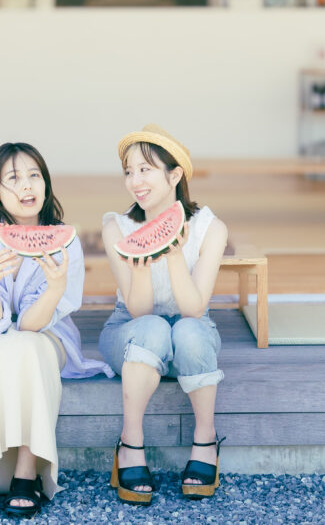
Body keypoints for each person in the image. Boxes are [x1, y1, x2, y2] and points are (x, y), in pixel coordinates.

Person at [0, 142, 113, 522]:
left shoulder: (66, 242)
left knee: (27, 345)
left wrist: (54, 288)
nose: (27, 186)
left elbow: (32, 325)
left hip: (45, 338)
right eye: (13, 178)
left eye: (35, 175)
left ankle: (26, 473)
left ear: (46, 185)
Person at [97, 124, 228, 504]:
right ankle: (130, 445)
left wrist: (172, 254)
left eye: (145, 169)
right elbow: (139, 310)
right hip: (133, 331)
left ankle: (205, 440)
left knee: (188, 330)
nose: (134, 181)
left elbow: (194, 308)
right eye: (128, 171)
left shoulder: (210, 228)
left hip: (192, 330)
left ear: (174, 175)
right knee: (154, 326)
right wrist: (139, 260)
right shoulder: (116, 228)